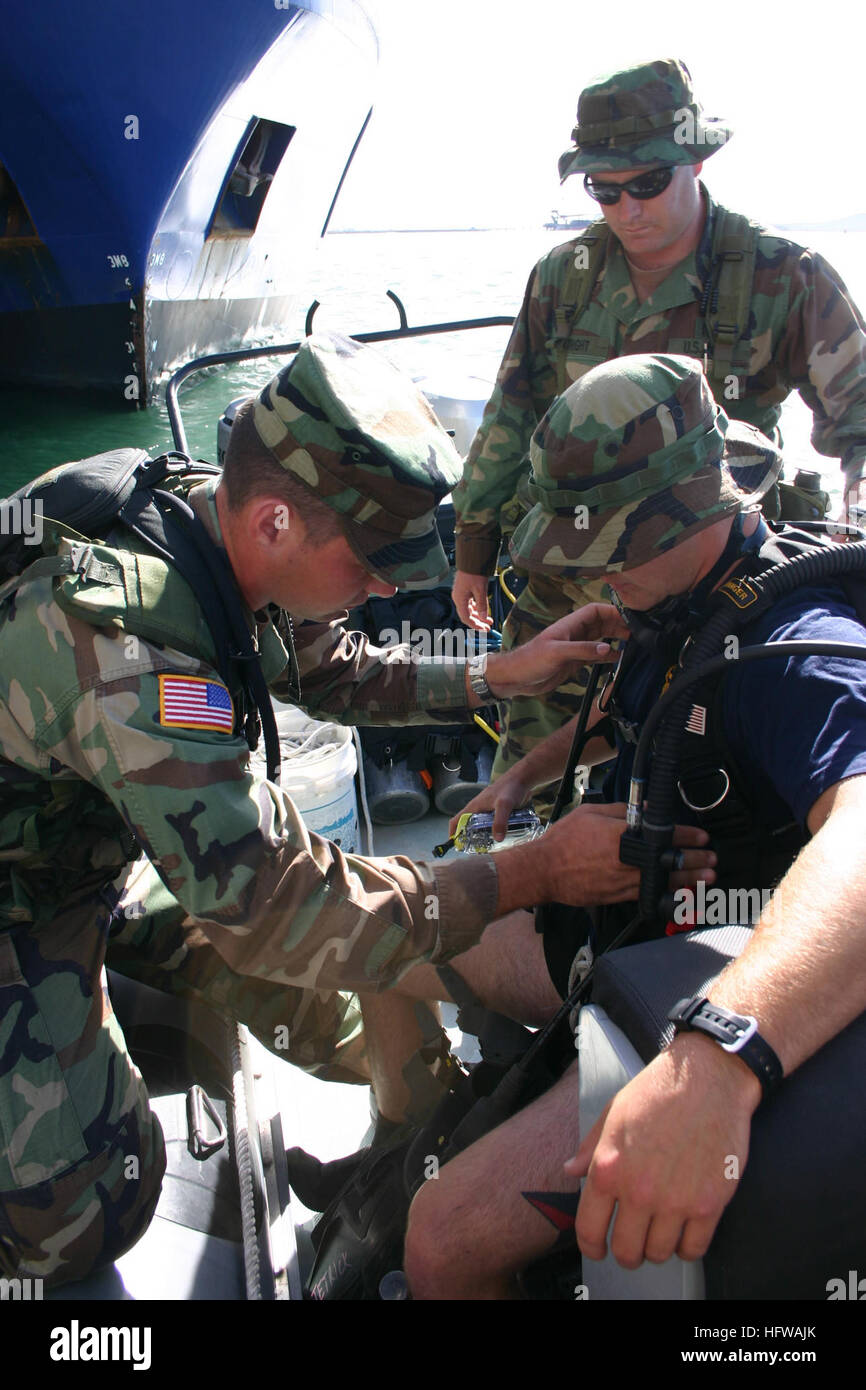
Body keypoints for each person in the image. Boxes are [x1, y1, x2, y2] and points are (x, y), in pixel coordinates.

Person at [0, 332, 713, 1289]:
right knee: (93, 1211)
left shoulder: (210, 521)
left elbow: (326, 665)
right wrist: (529, 873)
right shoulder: (131, 666)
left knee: (369, 967)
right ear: (275, 525)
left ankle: (405, 1138)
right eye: (374, 568)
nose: (384, 590)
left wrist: (497, 676)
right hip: (27, 894)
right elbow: (279, 912)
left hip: (90, 846)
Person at [403, 352, 866, 1299]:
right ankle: (415, 1131)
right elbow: (650, 711)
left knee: (442, 1243)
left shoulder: (795, 655)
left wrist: (718, 1059)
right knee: (391, 937)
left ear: (676, 518)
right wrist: (523, 776)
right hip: (615, 933)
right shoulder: (687, 598)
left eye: (609, 550)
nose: (596, 577)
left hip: (698, 1001)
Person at [450, 56, 866, 787]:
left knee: (688, 778)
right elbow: (512, 411)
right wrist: (473, 544)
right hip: (570, 582)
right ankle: (507, 877)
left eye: (647, 184)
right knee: (526, 772)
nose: (627, 209)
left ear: (696, 160)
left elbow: (861, 422)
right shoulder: (563, 278)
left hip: (702, 596)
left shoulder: (781, 276)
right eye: (604, 190)